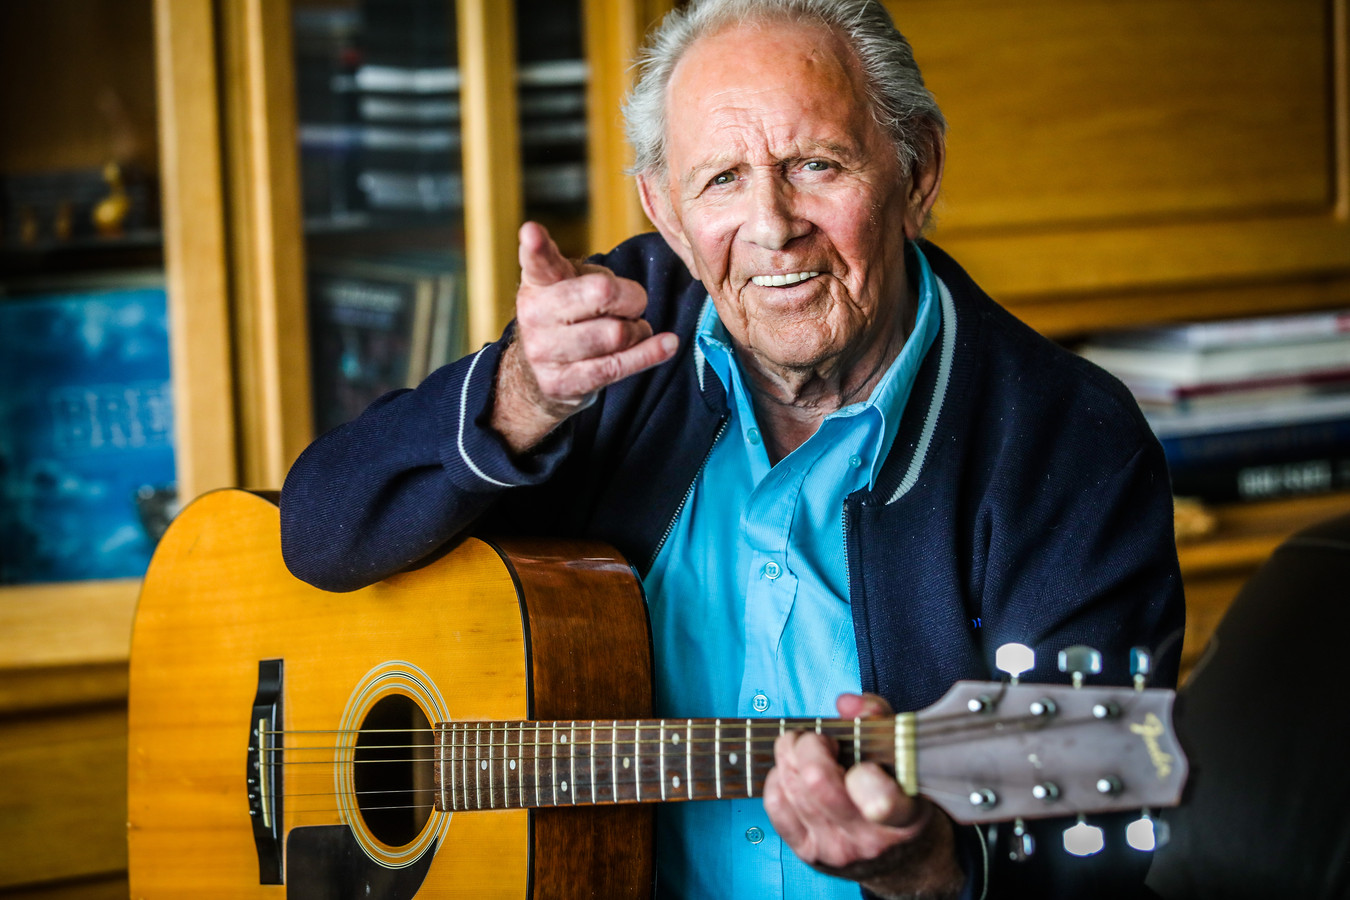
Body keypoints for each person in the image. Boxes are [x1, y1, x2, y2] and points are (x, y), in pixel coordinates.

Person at [280, 0, 1185, 897]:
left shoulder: (1068, 441)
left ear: (917, 173)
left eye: (816, 165)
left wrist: (931, 871)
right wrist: (520, 396)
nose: (772, 224)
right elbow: (319, 535)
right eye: (720, 180)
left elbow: (1087, 860)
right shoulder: (616, 335)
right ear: (665, 209)